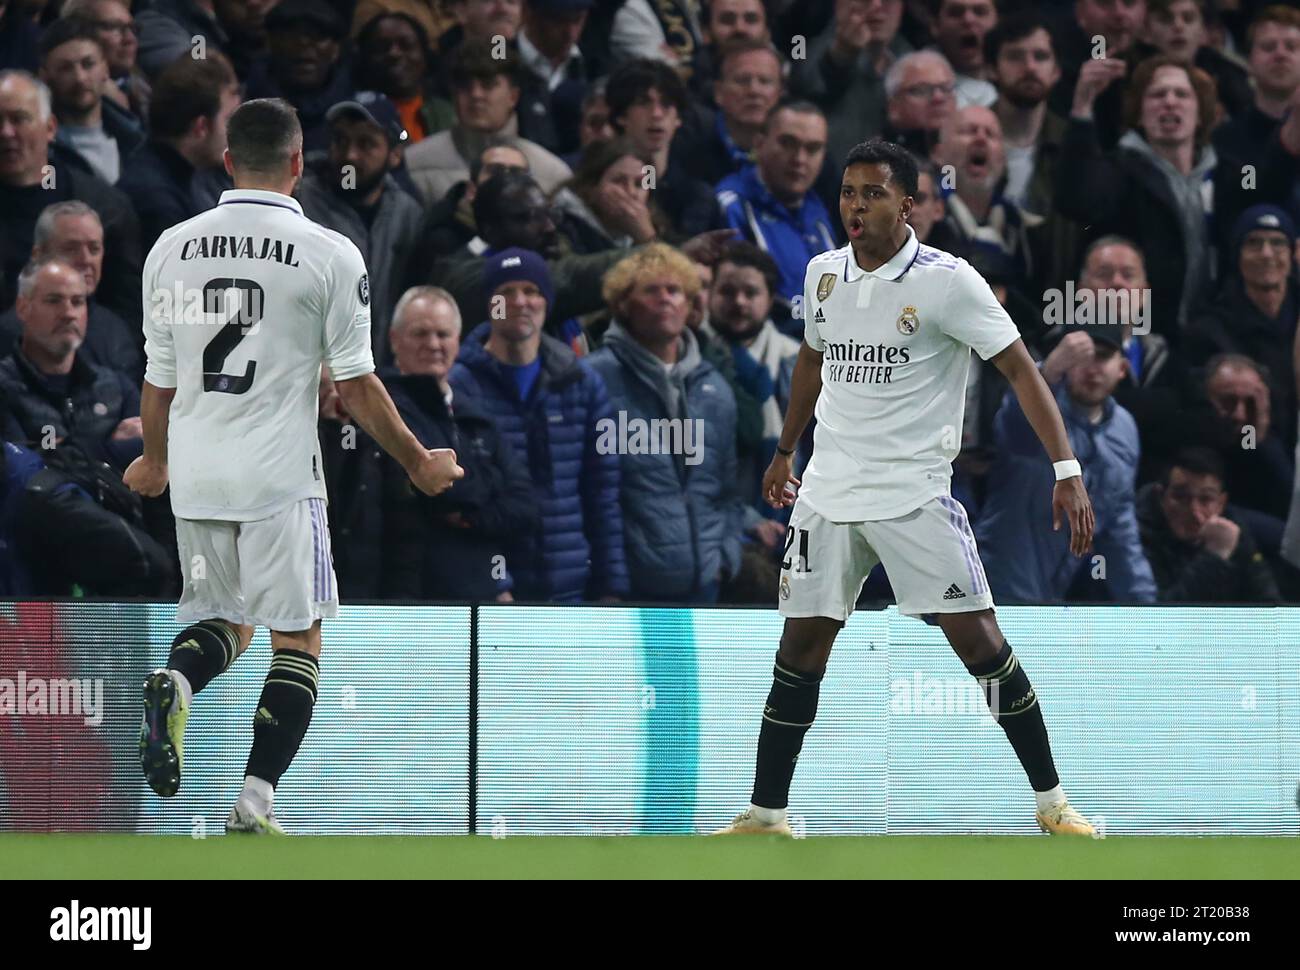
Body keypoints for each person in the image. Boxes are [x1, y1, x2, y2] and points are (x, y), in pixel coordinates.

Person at [714, 137, 1097, 837]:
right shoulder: (823, 274)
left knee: (979, 643)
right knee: (798, 652)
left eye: (874, 193)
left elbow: (1020, 368)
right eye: (848, 192)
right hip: (827, 494)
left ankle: (1053, 804)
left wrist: (1065, 470)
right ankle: (767, 814)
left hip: (913, 496)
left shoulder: (949, 282)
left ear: (909, 204)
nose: (856, 206)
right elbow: (812, 362)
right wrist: (784, 451)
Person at [124, 97, 463, 835]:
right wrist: (416, 460)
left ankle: (177, 679)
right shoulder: (331, 252)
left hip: (198, 472)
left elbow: (159, 379)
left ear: (227, 162)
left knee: (226, 619)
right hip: (280, 475)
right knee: (298, 637)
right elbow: (357, 384)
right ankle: (254, 804)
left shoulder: (170, 248)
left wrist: (154, 459)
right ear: (300, 162)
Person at [449, 246, 629, 601]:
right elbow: (461, 503)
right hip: (494, 595)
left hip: (572, 587)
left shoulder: (582, 383)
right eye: (506, 292)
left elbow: (603, 493)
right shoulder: (458, 387)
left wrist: (611, 586)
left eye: (531, 291)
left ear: (547, 302)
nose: (520, 302)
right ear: (489, 304)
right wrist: (493, 584)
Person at [1137, 446, 1281, 603]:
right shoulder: (1138, 535)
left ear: (1221, 503)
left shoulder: (1232, 530)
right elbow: (1159, 613)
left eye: (1205, 499)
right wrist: (1214, 557)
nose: (1193, 510)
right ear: (1161, 497)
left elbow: (1268, 601)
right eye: (1181, 496)